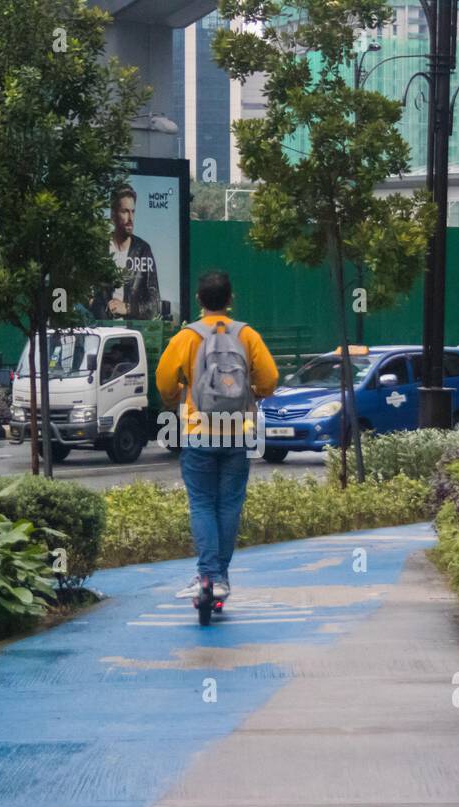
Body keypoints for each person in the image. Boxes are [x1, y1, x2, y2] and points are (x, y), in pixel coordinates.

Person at [156, 271, 278, 600]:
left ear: (199, 302)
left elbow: (165, 381)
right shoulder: (247, 335)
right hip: (238, 433)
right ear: (230, 300)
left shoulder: (186, 337)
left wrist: (178, 395)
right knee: (229, 506)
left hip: (199, 433)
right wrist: (252, 392)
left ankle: (208, 575)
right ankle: (220, 577)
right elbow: (270, 379)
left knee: (202, 505)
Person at [91, 185, 162, 322]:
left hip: (132, 332)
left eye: (133, 212)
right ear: (113, 215)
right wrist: (96, 306)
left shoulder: (143, 250)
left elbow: (155, 305)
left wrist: (128, 308)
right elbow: (82, 292)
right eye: (125, 211)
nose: (130, 218)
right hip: (101, 330)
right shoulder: (99, 248)